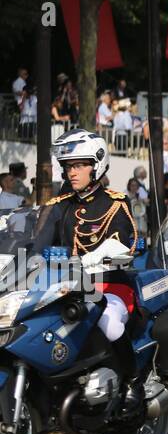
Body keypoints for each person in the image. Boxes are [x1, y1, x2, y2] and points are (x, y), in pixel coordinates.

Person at [41, 130, 143, 412]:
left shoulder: (114, 202)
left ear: (96, 165)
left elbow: (127, 245)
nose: (71, 172)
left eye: (78, 165)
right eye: (68, 166)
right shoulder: (58, 207)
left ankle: (132, 381)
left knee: (107, 320)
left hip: (108, 287)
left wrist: (101, 255)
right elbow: (33, 245)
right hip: (63, 288)